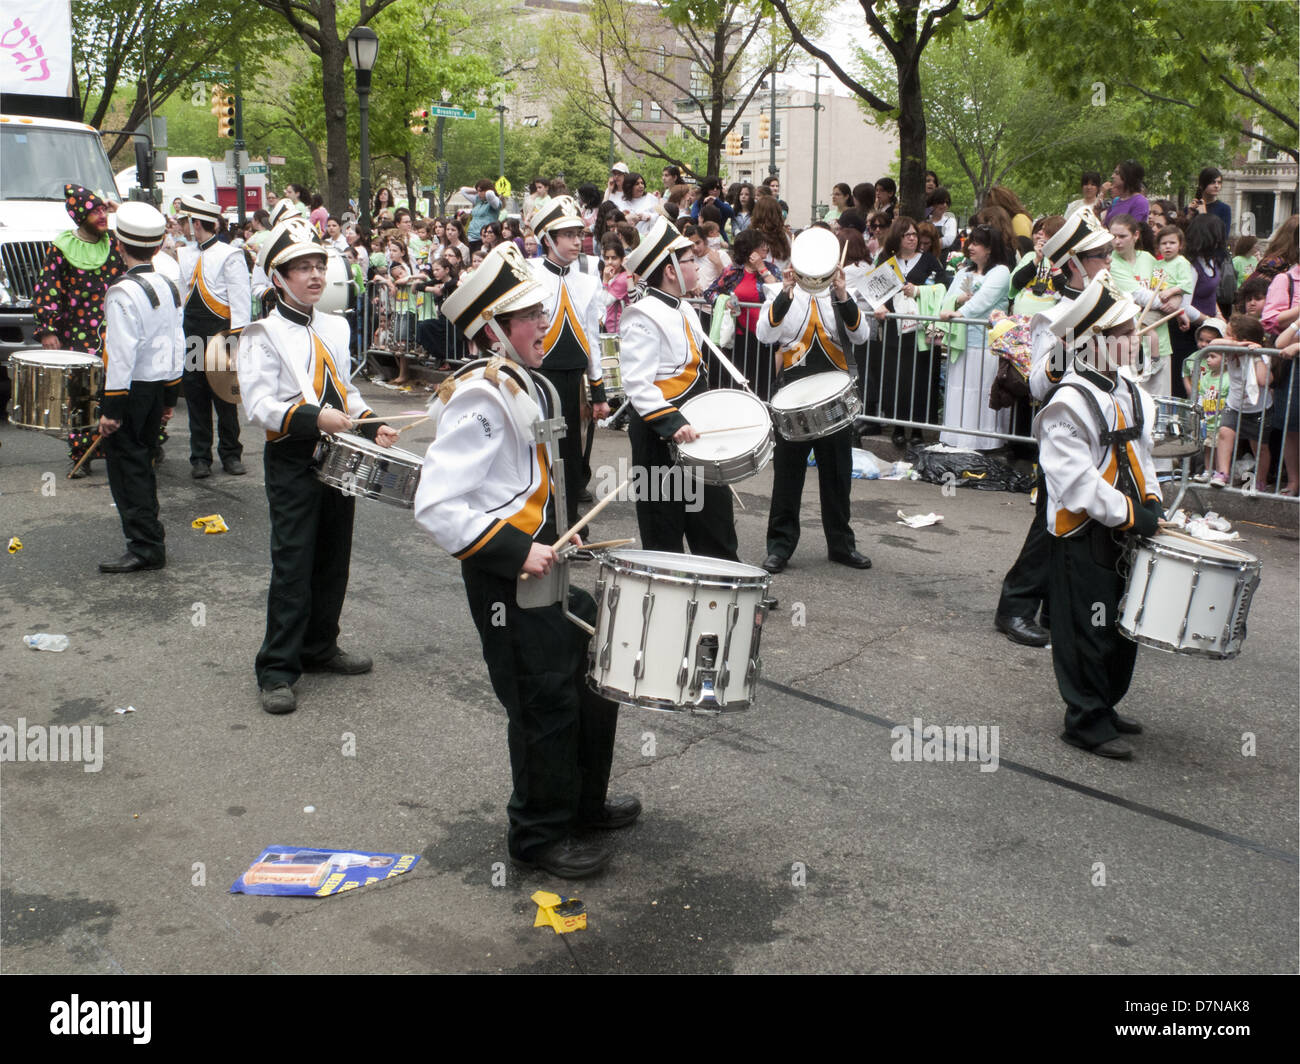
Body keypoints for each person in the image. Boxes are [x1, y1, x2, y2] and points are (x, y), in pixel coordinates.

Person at [414, 242, 634, 879]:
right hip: (508, 580)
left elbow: (530, 480)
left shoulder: (524, 382)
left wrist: (563, 536)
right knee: (542, 701)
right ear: (493, 329)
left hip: (551, 565)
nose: (543, 324)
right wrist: (519, 550)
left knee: (594, 677)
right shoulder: (481, 397)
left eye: (542, 312)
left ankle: (583, 805)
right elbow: (437, 502)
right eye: (529, 316)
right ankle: (538, 837)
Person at [236, 219, 397, 715]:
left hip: (339, 454)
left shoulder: (335, 325)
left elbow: (345, 391)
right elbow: (258, 405)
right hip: (292, 456)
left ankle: (320, 647)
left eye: (319, 266)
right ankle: (278, 669)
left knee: (333, 556)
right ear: (278, 277)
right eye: (302, 268)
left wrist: (371, 424)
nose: (314, 275)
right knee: (293, 563)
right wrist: (313, 417)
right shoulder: (260, 334)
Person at [1033, 274, 1158, 760]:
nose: (1136, 339)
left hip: (1124, 530)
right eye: (1126, 333)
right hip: (1084, 533)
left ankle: (1104, 703)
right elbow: (1077, 485)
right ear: (1096, 342)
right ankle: (1084, 719)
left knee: (1122, 624)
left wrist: (1154, 501)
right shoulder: (1066, 403)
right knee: (1087, 626)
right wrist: (1130, 514)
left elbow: (1143, 455)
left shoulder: (1127, 390)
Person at [994, 205, 1115, 647]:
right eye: (1101, 256)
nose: (1109, 261)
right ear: (1077, 265)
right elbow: (1039, 381)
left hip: (1101, 429)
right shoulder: (1052, 316)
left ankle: (1051, 608)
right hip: (1064, 428)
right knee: (1051, 522)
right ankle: (1015, 606)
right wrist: (1070, 343)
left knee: (1079, 521)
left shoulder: (1109, 305)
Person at [619, 218, 739, 558]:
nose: (698, 265)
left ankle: (725, 584)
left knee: (713, 515)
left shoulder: (683, 307)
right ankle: (666, 596)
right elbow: (638, 385)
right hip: (660, 433)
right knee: (664, 527)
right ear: (670, 270)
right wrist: (673, 424)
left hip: (694, 426)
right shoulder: (641, 314)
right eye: (690, 260)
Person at [757, 237, 873, 574]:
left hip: (833, 394)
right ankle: (779, 546)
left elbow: (861, 335)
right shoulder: (782, 292)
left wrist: (842, 294)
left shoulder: (839, 295)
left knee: (837, 475)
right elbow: (765, 334)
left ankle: (841, 544)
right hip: (792, 394)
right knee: (787, 477)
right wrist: (786, 292)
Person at [97, 202, 184, 573]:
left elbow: (120, 354)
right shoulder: (167, 284)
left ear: (120, 246)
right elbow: (176, 341)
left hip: (130, 391)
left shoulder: (122, 292)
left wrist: (111, 410)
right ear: (158, 243)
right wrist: (169, 394)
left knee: (127, 468)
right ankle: (150, 539)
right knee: (143, 464)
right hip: (155, 387)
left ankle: (145, 546)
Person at [31, 184, 125, 475]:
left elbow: (144, 234)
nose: (102, 215)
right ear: (80, 214)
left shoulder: (115, 241)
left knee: (117, 389)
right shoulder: (61, 247)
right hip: (78, 333)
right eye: (95, 211)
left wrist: (119, 209)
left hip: (117, 331)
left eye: (103, 209)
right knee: (82, 392)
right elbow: (48, 290)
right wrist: (48, 330)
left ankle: (118, 448)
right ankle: (81, 450)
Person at [527, 196, 611, 526]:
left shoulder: (589, 281)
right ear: (548, 239)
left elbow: (591, 336)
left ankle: (572, 524)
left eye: (579, 234)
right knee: (541, 450)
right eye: (568, 235)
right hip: (540, 375)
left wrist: (599, 390)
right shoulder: (529, 273)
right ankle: (542, 524)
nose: (577, 241)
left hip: (574, 378)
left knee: (573, 455)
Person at [176, 195, 250, 478]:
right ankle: (200, 457)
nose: (183, 227)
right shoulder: (184, 255)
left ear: (197, 224)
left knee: (225, 397)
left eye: (186, 222)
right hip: (193, 335)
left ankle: (231, 454)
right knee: (196, 395)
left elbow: (241, 302)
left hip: (220, 335)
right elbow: (183, 300)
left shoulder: (229, 254)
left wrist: (235, 341)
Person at [938, 223, 1013, 450]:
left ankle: (984, 442)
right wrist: (957, 302)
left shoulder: (1001, 272)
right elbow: (947, 301)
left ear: (990, 248)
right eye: (971, 242)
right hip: (962, 344)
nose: (971, 247)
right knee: (960, 390)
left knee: (981, 392)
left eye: (977, 243)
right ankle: (956, 438)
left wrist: (960, 312)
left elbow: (985, 300)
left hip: (985, 346)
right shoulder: (963, 272)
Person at [1209, 314, 1271, 489]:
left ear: (1244, 339)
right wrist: (1236, 345)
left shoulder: (1261, 356)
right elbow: (1213, 344)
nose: (1224, 338)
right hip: (1234, 405)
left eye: (1228, 334)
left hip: (1258, 409)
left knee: (1259, 446)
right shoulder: (1230, 349)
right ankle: (1222, 473)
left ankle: (1260, 480)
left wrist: (1256, 355)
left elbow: (1262, 380)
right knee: (1224, 433)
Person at [1183, 317, 1231, 480]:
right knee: (1206, 444)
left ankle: (1219, 472)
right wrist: (1192, 393)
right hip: (1205, 413)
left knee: (1220, 445)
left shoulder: (1227, 374)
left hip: (1220, 417)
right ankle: (1206, 471)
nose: (1203, 345)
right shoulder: (1195, 359)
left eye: (1208, 341)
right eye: (1201, 340)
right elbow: (1186, 373)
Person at [1102, 160, 1149, 225]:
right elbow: (1105, 226)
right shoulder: (1116, 200)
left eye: (1117, 173)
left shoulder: (1140, 202)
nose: (1112, 176)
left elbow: (1133, 230)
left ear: (1128, 176)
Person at [460, 180, 503, 249]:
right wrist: (478, 189)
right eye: (477, 191)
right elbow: (463, 190)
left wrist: (486, 188)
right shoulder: (478, 200)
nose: (478, 193)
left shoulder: (494, 203)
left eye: (481, 191)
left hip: (483, 238)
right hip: (470, 238)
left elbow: (489, 194)